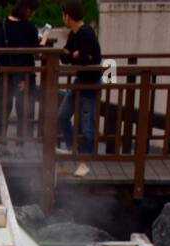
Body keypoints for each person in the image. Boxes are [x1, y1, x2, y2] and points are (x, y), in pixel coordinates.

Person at [56, 0, 101, 176]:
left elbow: (82, 60)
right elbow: (64, 56)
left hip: (90, 84)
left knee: (87, 125)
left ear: (68, 16)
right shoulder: (74, 34)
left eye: (63, 15)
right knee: (62, 116)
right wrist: (74, 55)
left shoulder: (86, 33)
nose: (63, 18)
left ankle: (84, 162)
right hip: (79, 82)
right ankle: (71, 149)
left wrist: (75, 56)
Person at [0, 0, 43, 137]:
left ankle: (1, 140)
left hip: (5, 74)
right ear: (27, 10)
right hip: (24, 77)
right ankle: (22, 143)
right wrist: (43, 41)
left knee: (4, 109)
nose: (32, 15)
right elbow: (36, 51)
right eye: (32, 12)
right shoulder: (29, 27)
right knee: (24, 111)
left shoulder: (0, 25)